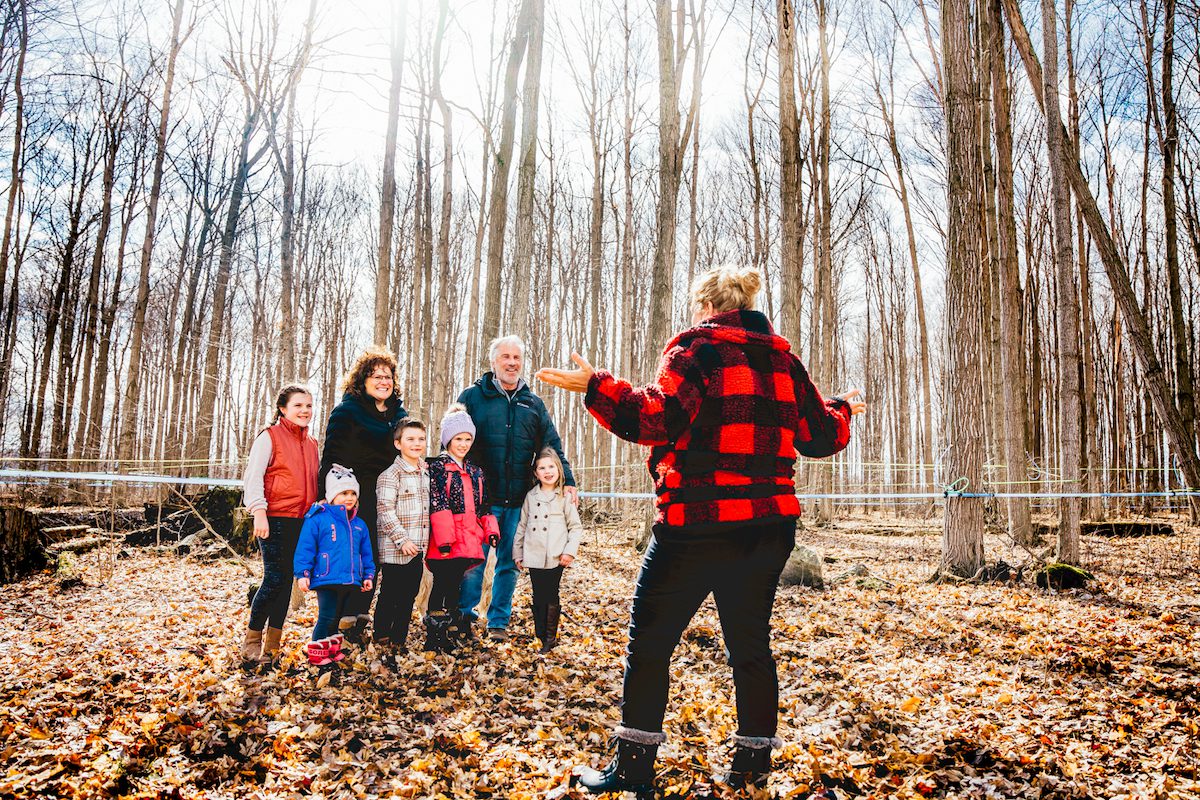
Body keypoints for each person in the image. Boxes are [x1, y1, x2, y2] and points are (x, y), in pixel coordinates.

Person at [536, 266, 866, 794]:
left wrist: (596, 386)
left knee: (650, 643)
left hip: (698, 524)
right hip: (768, 528)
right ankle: (752, 769)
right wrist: (844, 407)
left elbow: (659, 418)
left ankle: (635, 769)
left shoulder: (697, 349)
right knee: (751, 646)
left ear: (707, 306)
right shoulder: (784, 359)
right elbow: (822, 434)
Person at [457, 335, 576, 640]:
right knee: (474, 560)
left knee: (509, 563)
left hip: (518, 499)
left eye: (517, 358)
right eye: (505, 357)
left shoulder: (532, 403)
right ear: (494, 362)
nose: (512, 363)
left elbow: (552, 444)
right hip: (481, 499)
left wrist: (569, 481)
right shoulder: (472, 397)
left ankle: (498, 622)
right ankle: (464, 619)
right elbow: (454, 439)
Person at [319, 346, 408, 642]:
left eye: (388, 376)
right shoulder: (348, 411)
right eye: (376, 376)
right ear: (362, 380)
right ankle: (336, 624)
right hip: (354, 495)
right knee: (350, 557)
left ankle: (359, 619)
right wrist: (329, 498)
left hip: (391, 496)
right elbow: (331, 456)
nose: (383, 381)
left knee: (375, 560)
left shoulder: (400, 414)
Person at [239, 384, 320, 665]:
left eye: (309, 406)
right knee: (273, 579)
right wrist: (259, 512)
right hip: (274, 519)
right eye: (298, 405)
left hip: (303, 522)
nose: (305, 411)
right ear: (283, 409)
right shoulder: (269, 437)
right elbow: (254, 477)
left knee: (287, 582)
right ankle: (252, 638)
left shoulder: (312, 443)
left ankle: (273, 642)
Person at [424, 404, 501, 653]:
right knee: (442, 584)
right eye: (458, 438)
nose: (463, 443)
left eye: (468, 439)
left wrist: (490, 531)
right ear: (448, 439)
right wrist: (445, 539)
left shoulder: (475, 472)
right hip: (444, 541)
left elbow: (483, 506)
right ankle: (435, 632)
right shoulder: (437, 469)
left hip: (468, 540)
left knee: (458, 584)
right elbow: (437, 502)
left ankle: (454, 627)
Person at [293, 465, 376, 675]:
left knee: (337, 617)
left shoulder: (359, 524)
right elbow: (305, 548)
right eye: (343, 493)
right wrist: (303, 574)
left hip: (349, 580)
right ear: (331, 495)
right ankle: (317, 652)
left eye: (352, 494)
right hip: (326, 578)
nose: (348, 498)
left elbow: (366, 553)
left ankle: (330, 649)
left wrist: (368, 575)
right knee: (327, 616)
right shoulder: (318, 519)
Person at [514, 447, 583, 653]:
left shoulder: (564, 496)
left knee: (551, 593)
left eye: (551, 466)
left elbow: (575, 526)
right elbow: (522, 526)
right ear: (536, 473)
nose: (547, 471)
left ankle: (550, 638)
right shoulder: (531, 496)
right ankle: (540, 634)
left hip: (555, 555)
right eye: (542, 468)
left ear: (559, 469)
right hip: (534, 555)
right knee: (537, 594)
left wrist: (569, 551)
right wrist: (518, 553)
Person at [374, 418, 431, 660]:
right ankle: (381, 634)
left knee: (409, 594)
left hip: (419, 548)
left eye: (420, 439)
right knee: (390, 593)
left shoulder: (425, 473)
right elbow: (385, 511)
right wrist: (401, 539)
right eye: (410, 439)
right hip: (396, 549)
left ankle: (400, 637)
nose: (416, 444)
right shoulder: (390, 475)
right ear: (398, 443)